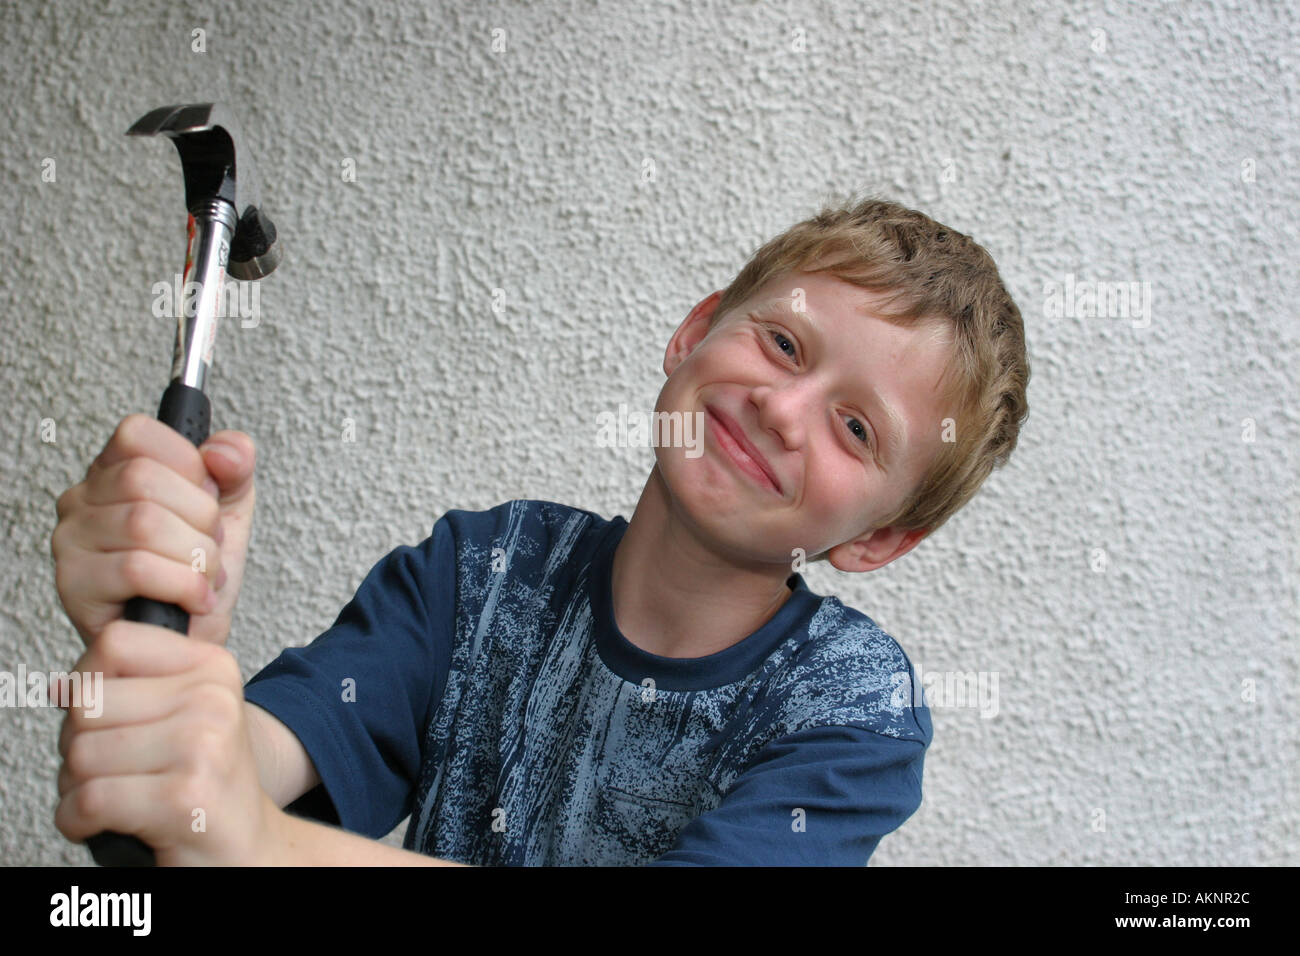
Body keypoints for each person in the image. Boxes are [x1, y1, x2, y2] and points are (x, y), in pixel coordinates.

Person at [50, 195, 1031, 865]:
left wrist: (256, 841)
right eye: (781, 343)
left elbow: (250, 835)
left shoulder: (850, 707)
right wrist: (169, 651)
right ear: (694, 333)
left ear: (879, 539)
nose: (783, 407)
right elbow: (240, 777)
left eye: (855, 427)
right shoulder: (487, 568)